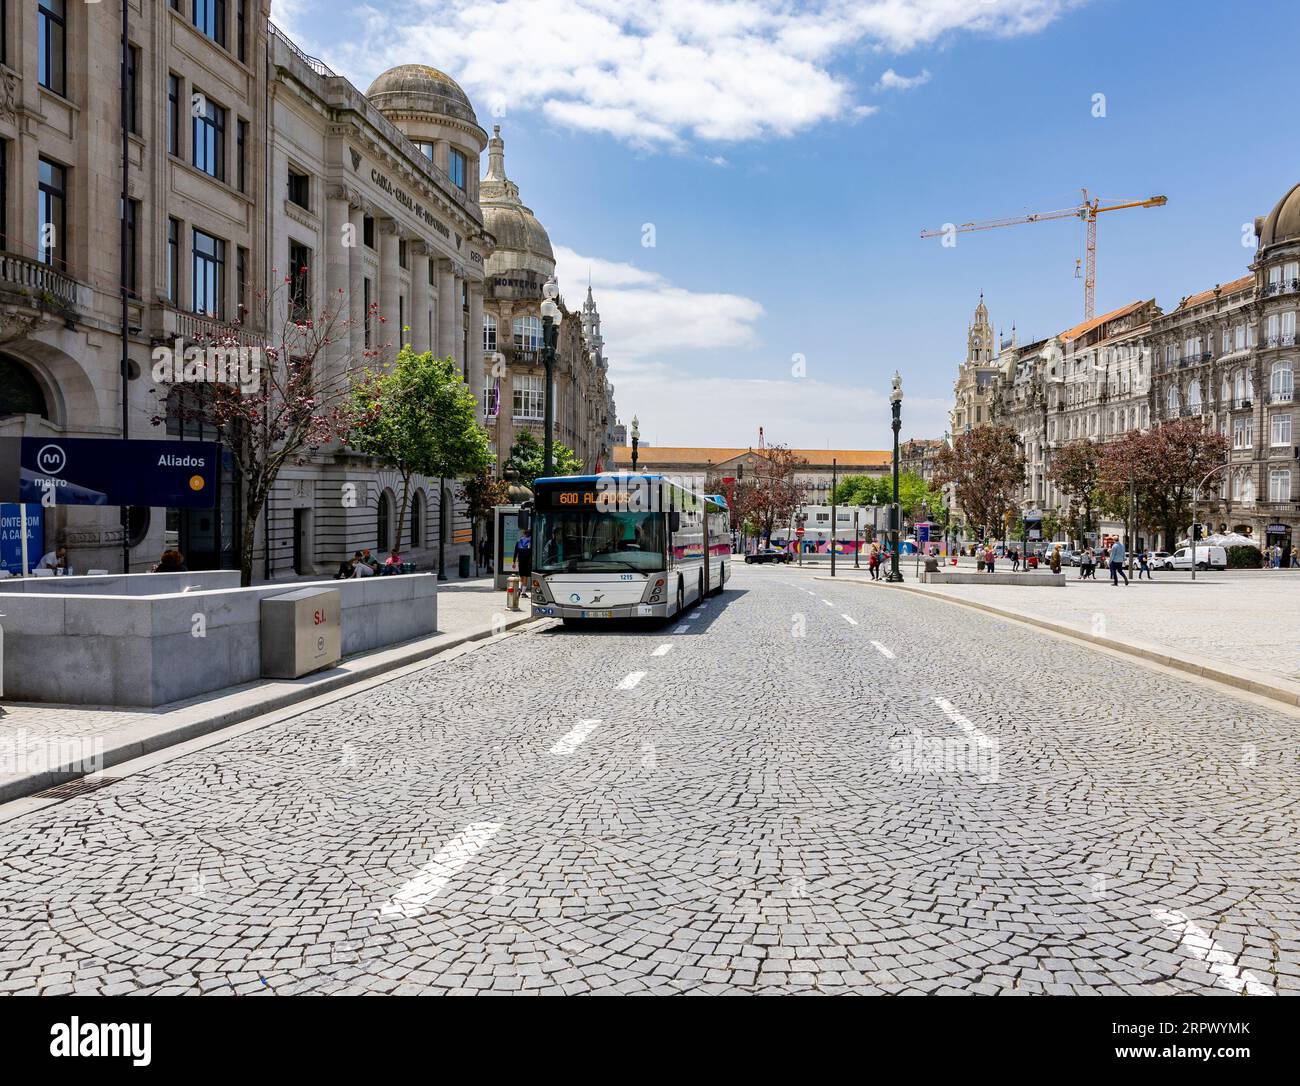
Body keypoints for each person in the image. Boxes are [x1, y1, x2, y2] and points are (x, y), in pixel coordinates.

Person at [514, 530, 532, 595]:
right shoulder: (530, 541)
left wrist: (514, 562)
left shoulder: (519, 541)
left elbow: (515, 552)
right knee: (525, 576)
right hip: (527, 561)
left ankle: (519, 588)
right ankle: (523, 592)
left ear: (524, 534)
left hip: (520, 560)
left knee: (521, 575)